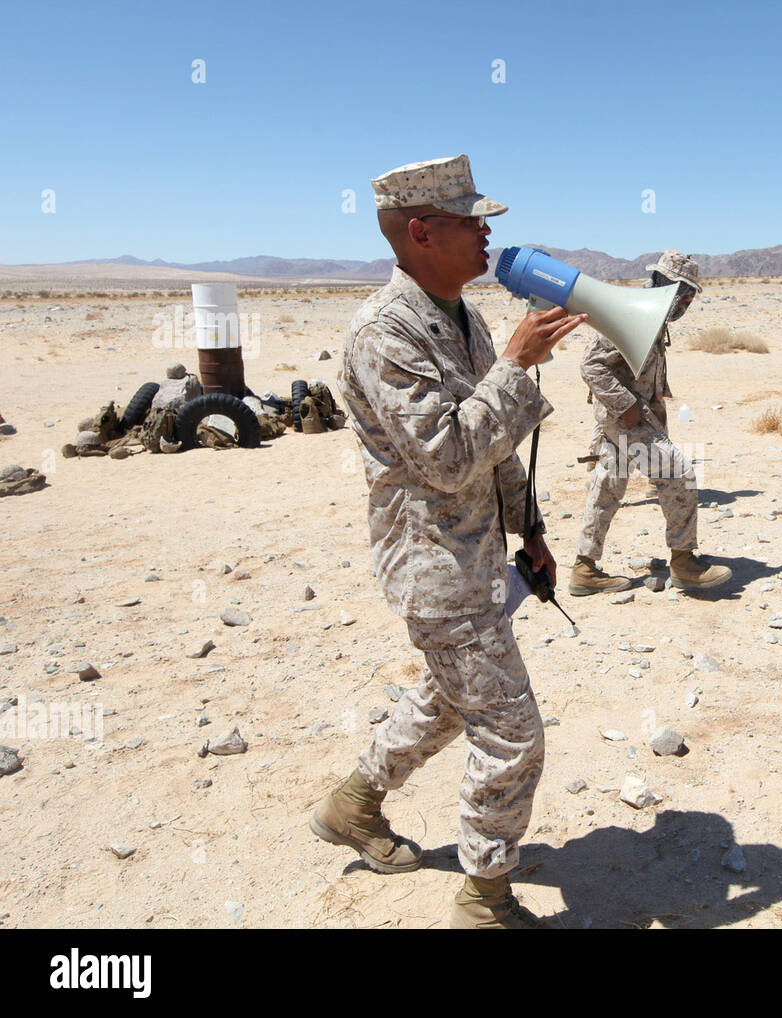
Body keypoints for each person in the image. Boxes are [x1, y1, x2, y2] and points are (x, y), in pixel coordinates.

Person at [309, 155, 587, 929]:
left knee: (446, 697)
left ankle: (353, 805)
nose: (488, 231)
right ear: (423, 232)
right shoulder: (382, 333)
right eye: (472, 220)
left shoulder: (466, 317)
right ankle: (485, 899)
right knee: (511, 732)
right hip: (433, 563)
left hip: (476, 557)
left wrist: (528, 527)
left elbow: (492, 448)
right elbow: (446, 455)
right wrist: (518, 368)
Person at [569, 249, 732, 595]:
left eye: (691, 295)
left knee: (607, 488)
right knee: (681, 476)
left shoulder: (652, 315)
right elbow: (591, 366)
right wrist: (626, 406)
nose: (686, 301)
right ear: (661, 284)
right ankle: (685, 563)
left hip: (627, 420)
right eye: (681, 291)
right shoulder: (634, 314)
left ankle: (584, 570)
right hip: (627, 421)